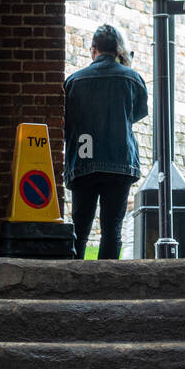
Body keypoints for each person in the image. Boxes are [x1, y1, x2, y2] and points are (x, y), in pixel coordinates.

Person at [64, 24, 148, 259]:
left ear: (93, 49)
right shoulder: (133, 79)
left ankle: (74, 278)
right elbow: (137, 114)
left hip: (84, 158)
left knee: (79, 228)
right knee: (112, 229)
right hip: (119, 161)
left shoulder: (74, 81)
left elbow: (66, 122)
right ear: (118, 49)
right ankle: (107, 282)